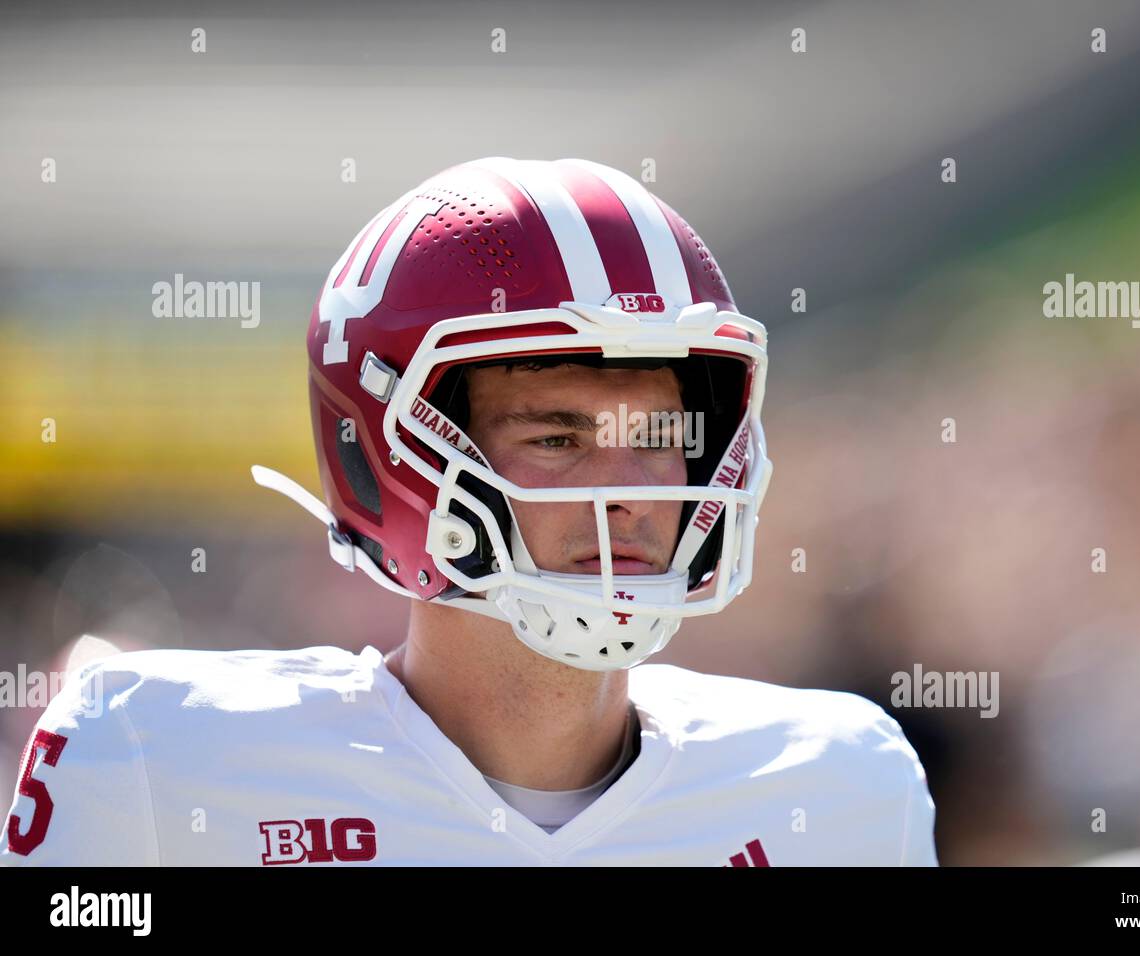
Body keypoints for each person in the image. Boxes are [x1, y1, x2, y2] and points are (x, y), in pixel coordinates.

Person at [1, 157, 937, 865]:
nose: (629, 492)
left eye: (657, 433)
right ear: (392, 452)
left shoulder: (841, 786)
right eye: (558, 439)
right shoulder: (156, 759)